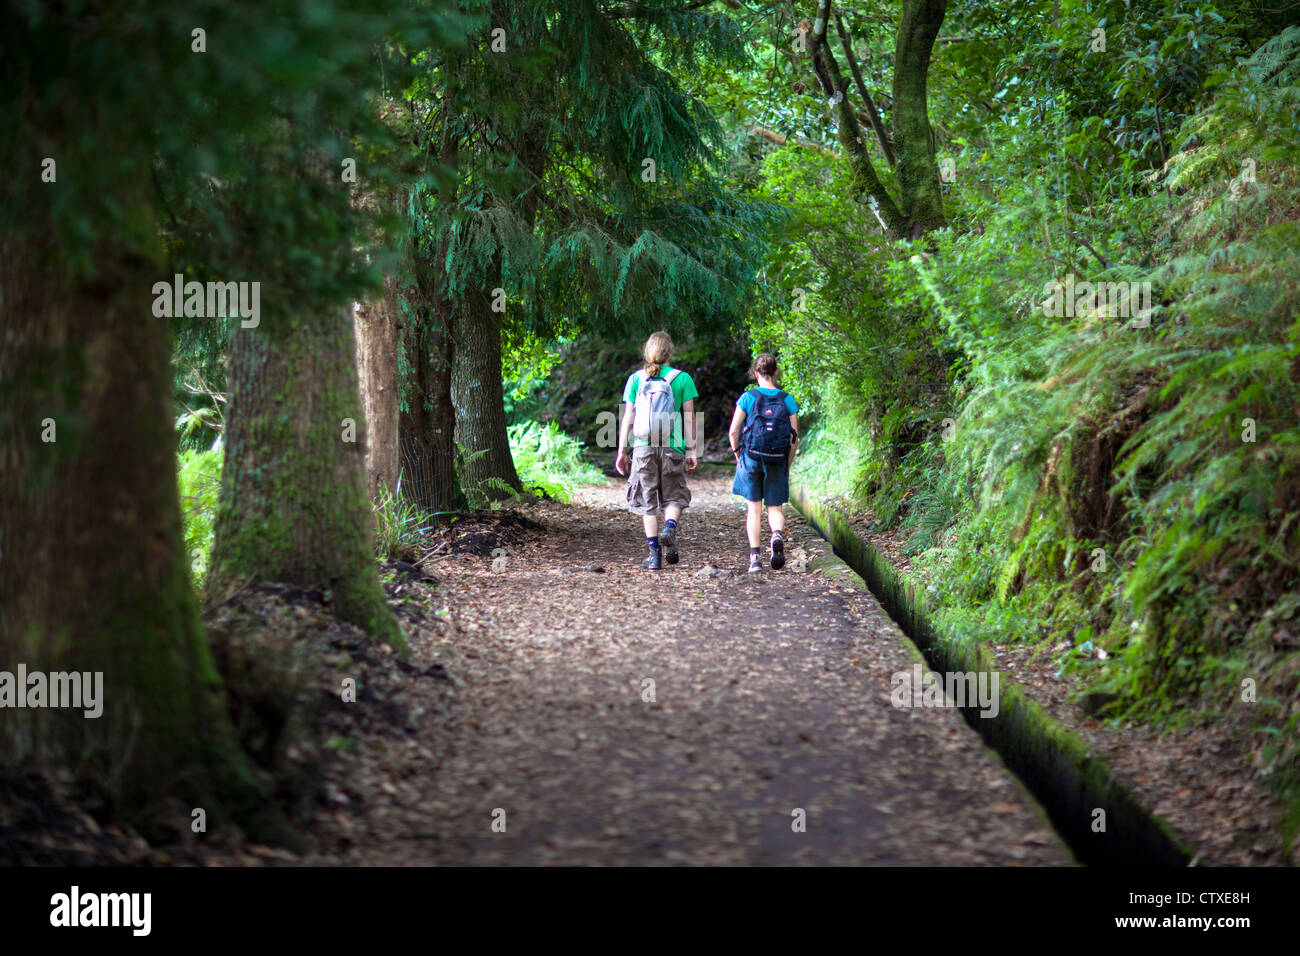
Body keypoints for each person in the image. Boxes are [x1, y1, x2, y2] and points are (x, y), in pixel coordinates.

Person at [615, 331, 699, 569]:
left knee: (647, 498)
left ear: (647, 352)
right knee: (674, 496)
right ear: (670, 352)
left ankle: (654, 556)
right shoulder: (682, 379)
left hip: (643, 447)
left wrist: (622, 450)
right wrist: (692, 450)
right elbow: (690, 416)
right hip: (673, 446)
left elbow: (628, 417)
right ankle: (670, 527)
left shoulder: (635, 379)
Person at [728, 353, 799, 574]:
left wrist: (738, 455)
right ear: (775, 372)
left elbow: (733, 431)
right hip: (777, 458)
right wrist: (787, 462)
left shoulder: (748, 397)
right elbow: (794, 437)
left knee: (754, 509)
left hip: (751, 456)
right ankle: (776, 535)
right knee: (774, 507)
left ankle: (755, 560)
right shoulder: (787, 399)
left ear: (756, 373)